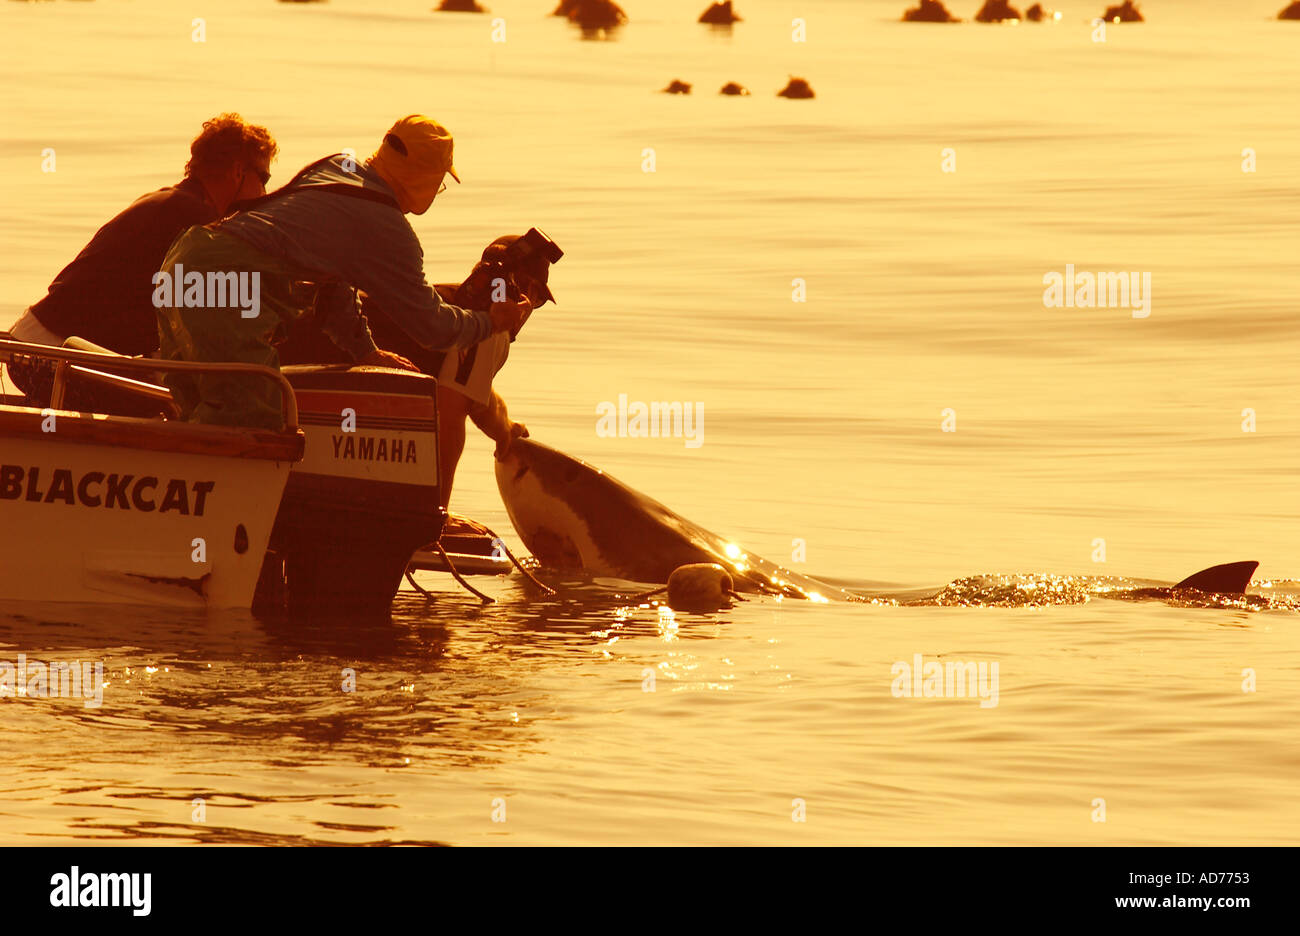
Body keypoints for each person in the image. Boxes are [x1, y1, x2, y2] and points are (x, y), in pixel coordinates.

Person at [155, 114, 531, 430]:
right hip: (226, 278)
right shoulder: (389, 230)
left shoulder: (339, 166)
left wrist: (365, 351)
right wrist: (490, 321)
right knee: (256, 415)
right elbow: (432, 328)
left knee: (191, 403)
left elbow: (333, 285)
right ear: (426, 179)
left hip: (186, 256)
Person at [4, 114, 277, 409]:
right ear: (238, 172)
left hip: (29, 349)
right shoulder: (197, 224)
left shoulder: (174, 202)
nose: (265, 193)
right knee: (176, 399)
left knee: (167, 380)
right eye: (264, 179)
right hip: (50, 358)